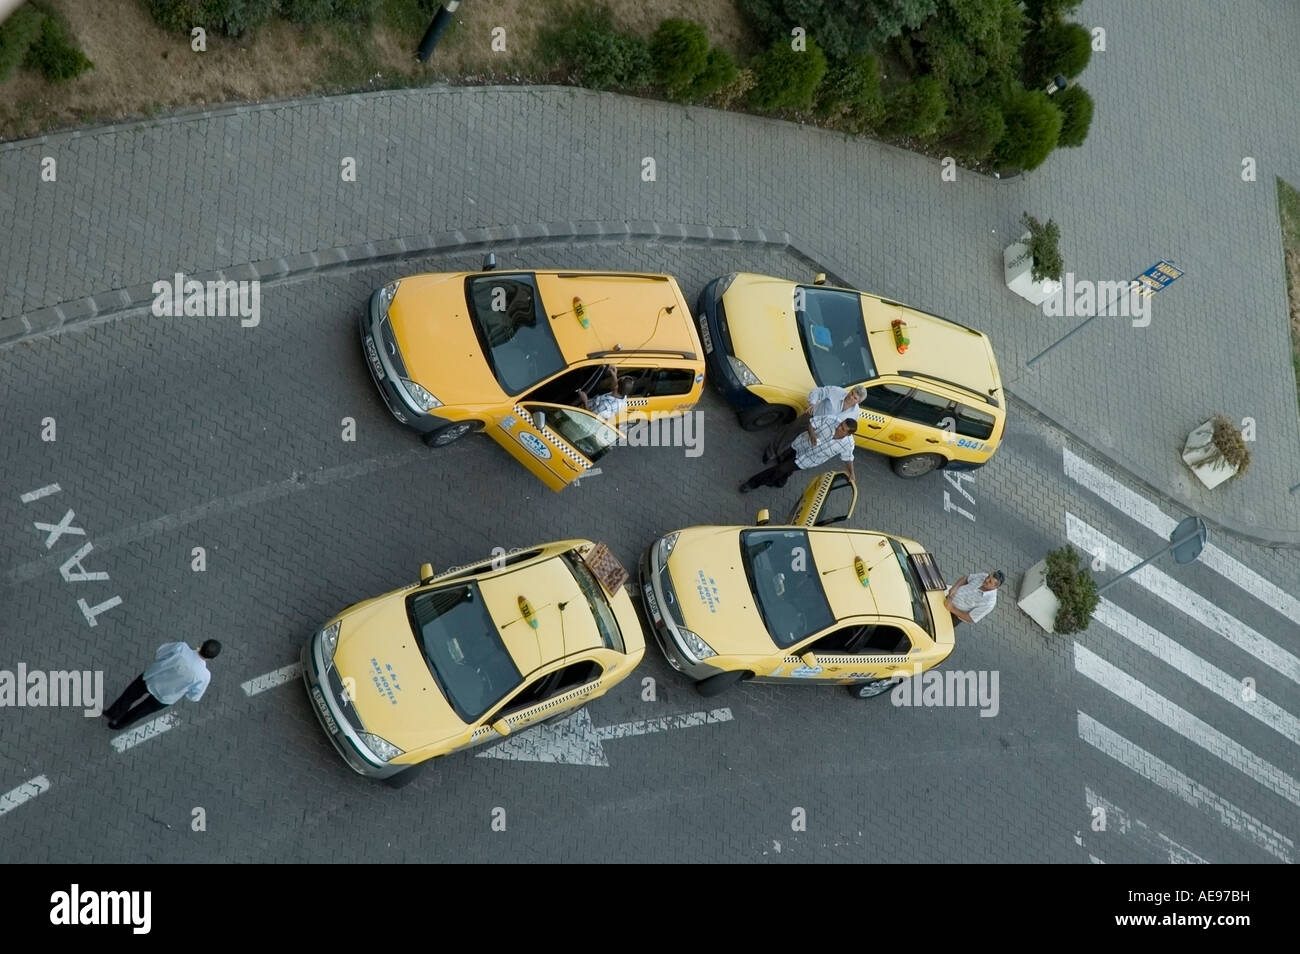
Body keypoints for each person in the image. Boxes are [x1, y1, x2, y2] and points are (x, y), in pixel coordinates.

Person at [104, 640, 222, 731]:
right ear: (212, 658)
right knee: (139, 712)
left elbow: (160, 652)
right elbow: (194, 697)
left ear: (201, 645)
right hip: (165, 697)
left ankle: (113, 713)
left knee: (129, 696)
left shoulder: (181, 647)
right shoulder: (204, 675)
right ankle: (118, 724)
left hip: (151, 678)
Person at [741, 416, 857, 492]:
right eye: (841, 424)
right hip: (799, 445)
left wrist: (851, 473)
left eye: (842, 429)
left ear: (848, 434)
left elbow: (848, 458)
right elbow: (811, 423)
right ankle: (780, 482)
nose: (838, 427)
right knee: (784, 464)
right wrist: (812, 435)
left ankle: (752, 484)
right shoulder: (830, 420)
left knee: (780, 469)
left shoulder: (848, 444)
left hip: (808, 460)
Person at [765, 384, 867, 462]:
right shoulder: (836, 391)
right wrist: (812, 403)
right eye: (852, 393)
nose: (851, 397)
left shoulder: (855, 413)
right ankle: (770, 452)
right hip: (811, 418)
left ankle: (783, 457)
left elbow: (847, 428)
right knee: (790, 434)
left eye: (855, 398)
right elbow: (817, 392)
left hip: (822, 431)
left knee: (803, 446)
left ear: (858, 402)